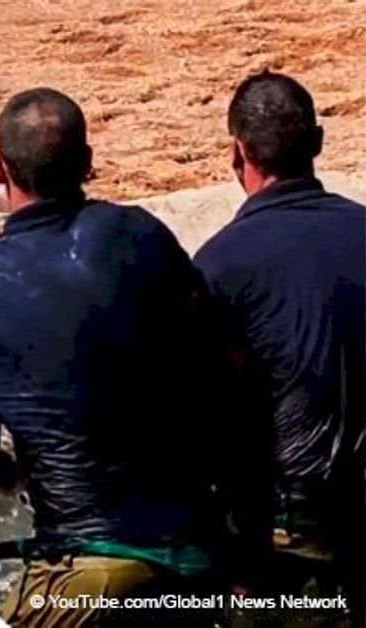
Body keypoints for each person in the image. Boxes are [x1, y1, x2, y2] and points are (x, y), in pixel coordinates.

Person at [0, 88, 250, 625]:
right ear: (88, 162)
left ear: (0, 168)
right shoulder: (142, 235)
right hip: (192, 557)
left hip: (82, 575)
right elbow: (224, 373)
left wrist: (23, 483)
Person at [195, 71, 365, 621]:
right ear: (317, 143)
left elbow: (203, 421)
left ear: (235, 154)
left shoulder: (218, 266)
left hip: (290, 530)